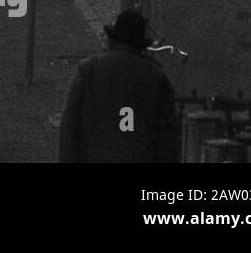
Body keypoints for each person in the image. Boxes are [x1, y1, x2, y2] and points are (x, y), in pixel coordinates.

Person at [58, 9, 178, 163]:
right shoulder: (156, 76)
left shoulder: (88, 70)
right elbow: (167, 138)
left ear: (112, 39)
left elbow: (70, 128)